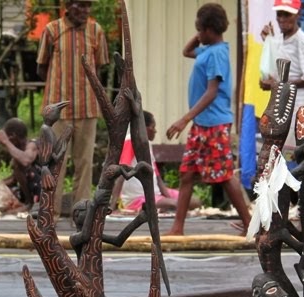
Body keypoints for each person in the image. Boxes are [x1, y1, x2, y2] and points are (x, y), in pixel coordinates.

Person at [165, 2, 252, 236]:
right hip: (202, 123)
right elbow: (186, 51)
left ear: (209, 30)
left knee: (224, 175)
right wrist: (202, 31)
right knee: (188, 173)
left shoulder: (217, 54)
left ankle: (249, 224)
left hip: (214, 123)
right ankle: (177, 227)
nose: (197, 34)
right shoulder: (208, 50)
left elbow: (212, 91)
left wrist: (184, 119)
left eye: (199, 29)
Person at [36, 0, 109, 219]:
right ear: (68, 6)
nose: (86, 11)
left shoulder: (96, 31)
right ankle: (51, 214)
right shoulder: (51, 30)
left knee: (85, 163)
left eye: (89, 6)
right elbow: (41, 67)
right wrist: (59, 86)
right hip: (57, 112)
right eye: (81, 5)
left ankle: (82, 215)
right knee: (55, 162)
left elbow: (101, 66)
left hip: (88, 107)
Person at [110, 111, 200, 214]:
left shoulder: (147, 144)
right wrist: (112, 206)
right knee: (176, 205)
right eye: (153, 127)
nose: (155, 131)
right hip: (138, 199)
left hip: (155, 195)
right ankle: (161, 207)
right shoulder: (131, 141)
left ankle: (165, 206)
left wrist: (169, 197)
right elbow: (122, 173)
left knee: (194, 202)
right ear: (146, 128)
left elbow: (158, 178)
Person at [259, 0, 304, 149]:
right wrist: (269, 41)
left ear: (297, 14)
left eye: (287, 14)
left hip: (300, 107)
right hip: (285, 106)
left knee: (298, 152)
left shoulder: (300, 39)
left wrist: (279, 84)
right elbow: (276, 66)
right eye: (280, 14)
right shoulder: (279, 39)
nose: (283, 19)